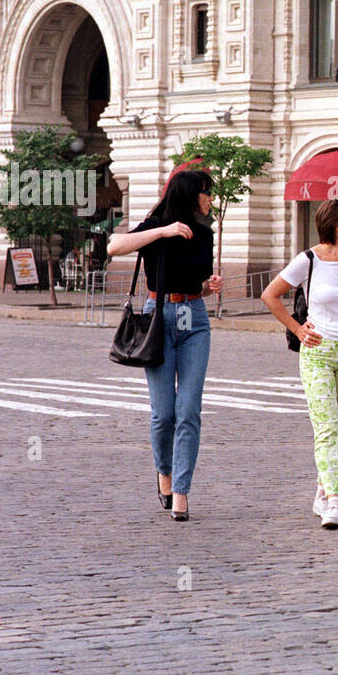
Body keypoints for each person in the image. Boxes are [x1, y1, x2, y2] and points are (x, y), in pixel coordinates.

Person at [105, 169, 222, 522]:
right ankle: (165, 475)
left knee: (189, 410)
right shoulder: (156, 225)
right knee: (164, 413)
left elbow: (196, 280)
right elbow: (114, 246)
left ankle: (182, 492)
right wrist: (164, 230)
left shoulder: (204, 233)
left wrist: (208, 286)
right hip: (159, 317)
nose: (211, 199)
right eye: (207, 193)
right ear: (189, 194)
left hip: (193, 319)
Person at [261, 198, 338, 530]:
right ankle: (334, 500)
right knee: (327, 427)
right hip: (317, 353)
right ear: (337, 226)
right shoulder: (309, 260)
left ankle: (321, 490)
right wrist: (298, 329)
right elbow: (270, 295)